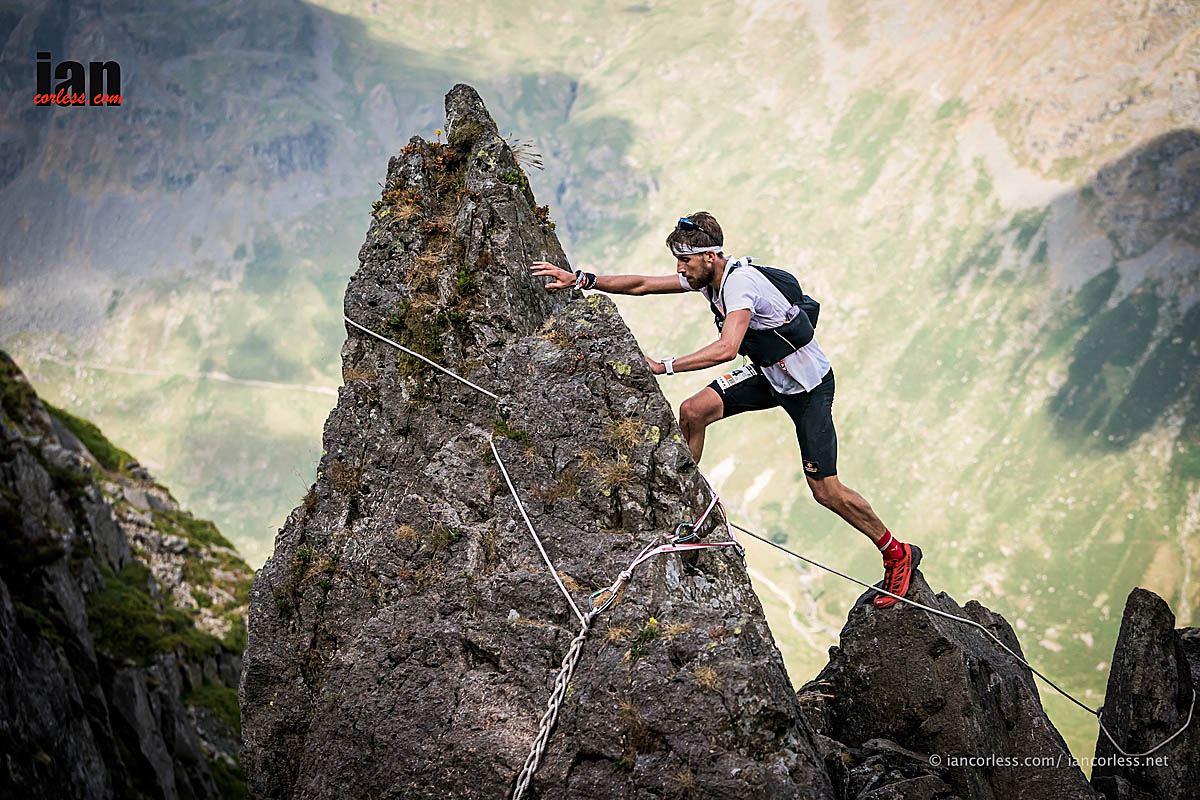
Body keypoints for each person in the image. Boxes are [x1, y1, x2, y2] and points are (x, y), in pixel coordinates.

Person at [530, 211, 919, 609]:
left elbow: (727, 349)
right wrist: (581, 279)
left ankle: (896, 552)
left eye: (686, 262)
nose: (680, 270)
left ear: (712, 256)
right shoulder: (707, 275)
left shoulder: (739, 285)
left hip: (808, 388)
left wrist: (664, 365)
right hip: (770, 375)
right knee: (693, 411)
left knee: (826, 490)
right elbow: (644, 284)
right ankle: (687, 507)